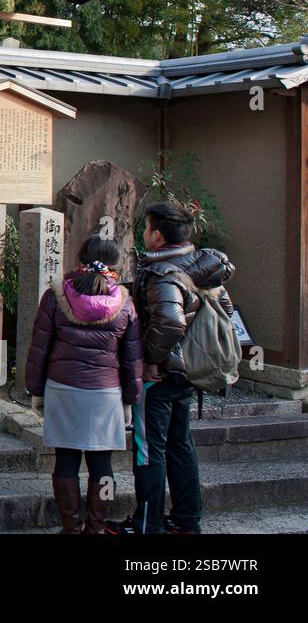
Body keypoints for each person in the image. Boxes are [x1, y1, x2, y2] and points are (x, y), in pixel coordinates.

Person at [107, 201, 234, 535]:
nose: (144, 234)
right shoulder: (203, 266)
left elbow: (170, 321)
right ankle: (186, 520)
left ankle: (147, 525)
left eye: (146, 228)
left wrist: (151, 360)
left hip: (160, 376)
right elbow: (225, 308)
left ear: (158, 234)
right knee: (181, 444)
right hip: (190, 371)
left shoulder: (163, 272)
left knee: (150, 448)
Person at [26, 236, 142, 533]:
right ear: (115, 264)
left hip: (63, 389)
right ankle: (97, 526)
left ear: (80, 258)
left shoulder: (55, 295)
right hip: (105, 393)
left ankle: (70, 527)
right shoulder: (125, 302)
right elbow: (131, 359)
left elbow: (39, 348)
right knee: (102, 465)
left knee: (66, 460)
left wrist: (36, 390)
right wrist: (131, 398)